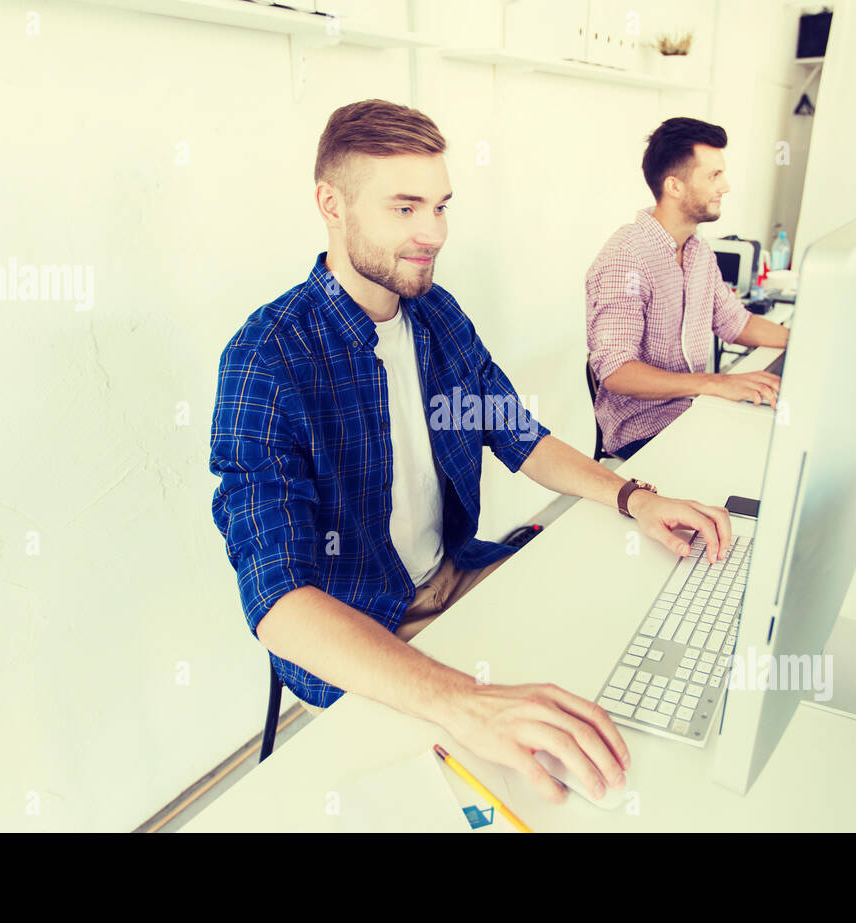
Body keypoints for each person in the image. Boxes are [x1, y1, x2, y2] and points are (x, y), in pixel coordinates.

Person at [210, 99, 734, 803]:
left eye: (441, 206)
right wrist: (464, 701)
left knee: (624, 657)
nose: (434, 233)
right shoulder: (268, 359)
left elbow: (520, 436)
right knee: (530, 778)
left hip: (459, 578)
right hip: (366, 630)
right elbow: (279, 601)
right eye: (404, 208)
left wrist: (633, 496)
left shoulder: (436, 316)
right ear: (330, 204)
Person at [587, 117, 790, 460]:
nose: (725, 187)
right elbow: (618, 373)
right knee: (761, 456)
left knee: (777, 436)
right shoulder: (625, 259)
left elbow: (735, 323)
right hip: (644, 428)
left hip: (693, 409)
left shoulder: (698, 251)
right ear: (674, 187)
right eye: (713, 176)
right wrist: (714, 383)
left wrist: (808, 343)